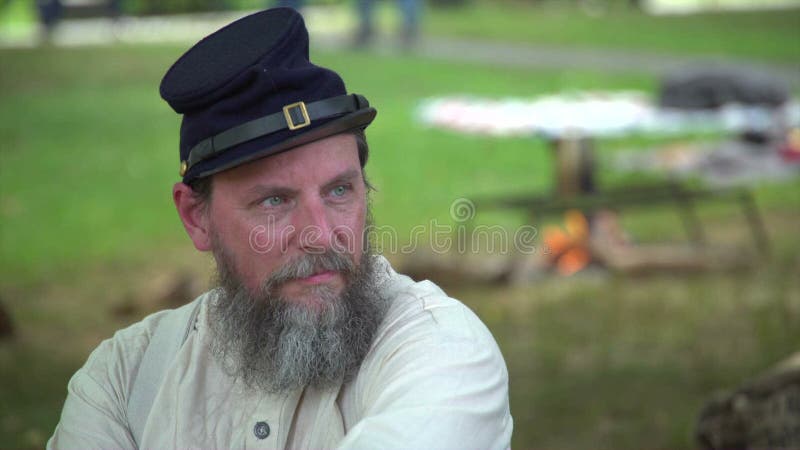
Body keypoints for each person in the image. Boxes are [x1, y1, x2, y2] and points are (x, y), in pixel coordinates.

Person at [47, 8, 512, 449]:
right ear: (196, 216)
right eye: (275, 200)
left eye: (338, 191)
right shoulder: (124, 381)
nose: (320, 234)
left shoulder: (441, 353)